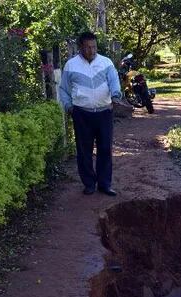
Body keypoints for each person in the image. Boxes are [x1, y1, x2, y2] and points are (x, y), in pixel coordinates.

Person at [59, 31, 122, 196]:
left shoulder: (106, 62)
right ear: (80, 47)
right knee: (84, 150)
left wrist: (116, 94)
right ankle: (89, 184)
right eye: (87, 47)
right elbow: (63, 89)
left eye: (94, 47)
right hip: (81, 114)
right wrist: (68, 107)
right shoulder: (71, 65)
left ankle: (104, 184)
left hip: (104, 113)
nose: (91, 50)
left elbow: (114, 81)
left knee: (105, 149)